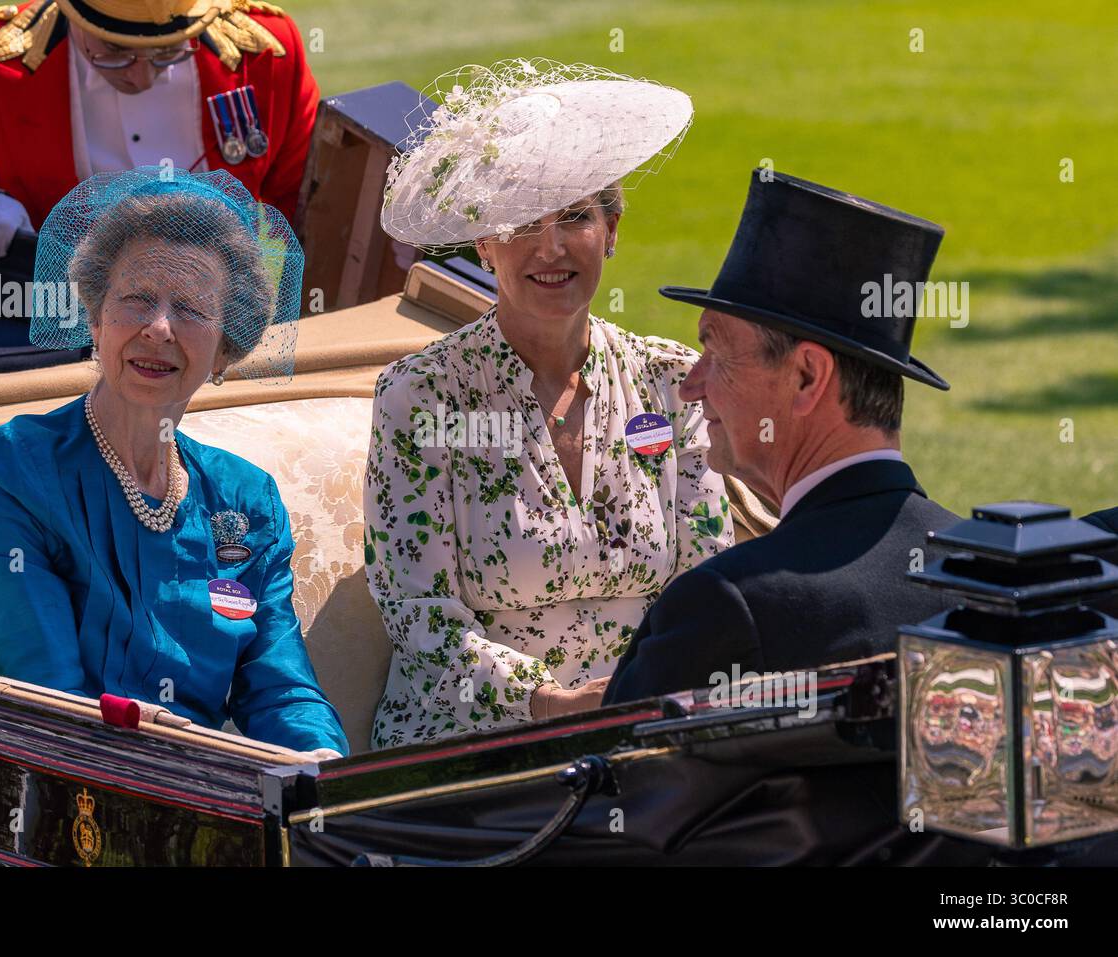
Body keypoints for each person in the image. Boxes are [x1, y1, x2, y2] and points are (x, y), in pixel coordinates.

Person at [365, 60, 734, 748]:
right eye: (521, 222)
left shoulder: (673, 379)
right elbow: (419, 613)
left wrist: (636, 699)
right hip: (472, 742)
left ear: (613, 229)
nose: (551, 247)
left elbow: (708, 577)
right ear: (482, 242)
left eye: (575, 217)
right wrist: (550, 704)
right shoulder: (418, 397)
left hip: (643, 731)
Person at [0, 166, 347, 757]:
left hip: (201, 798)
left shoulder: (246, 501)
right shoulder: (16, 468)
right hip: (39, 792)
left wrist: (321, 769)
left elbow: (280, 692)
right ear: (95, 317)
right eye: (135, 300)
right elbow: (46, 697)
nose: (158, 328)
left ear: (225, 350)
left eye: (189, 309)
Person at [605, 170, 961, 705]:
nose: (690, 385)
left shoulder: (725, 606)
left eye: (718, 353)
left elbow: (610, 781)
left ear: (807, 378)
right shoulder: (985, 574)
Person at [0, 0, 317, 269]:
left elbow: (313, 212)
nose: (143, 76)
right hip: (48, 334)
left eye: (169, 51)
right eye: (115, 51)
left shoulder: (268, 53)